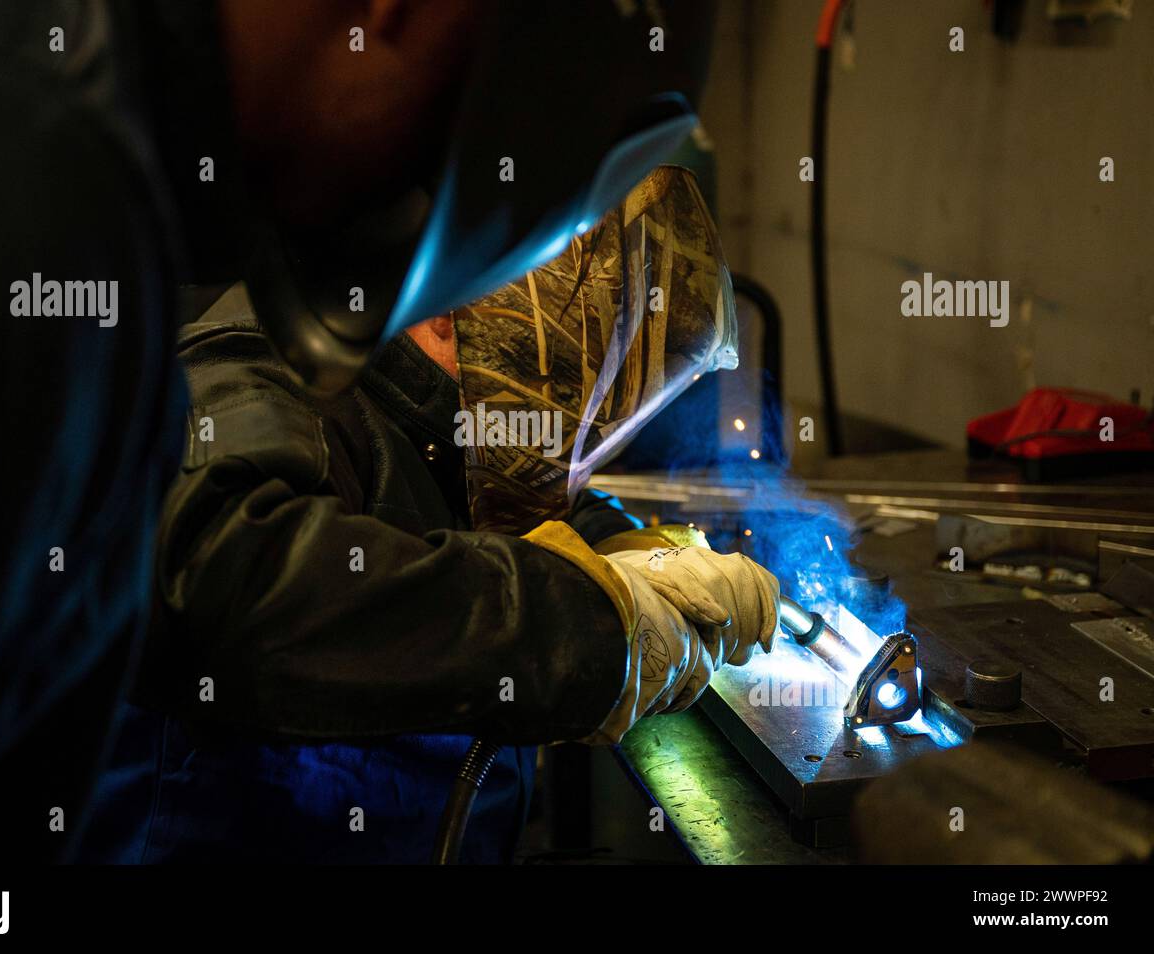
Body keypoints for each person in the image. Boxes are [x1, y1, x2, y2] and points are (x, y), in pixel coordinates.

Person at [0, 0, 720, 861]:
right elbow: (207, 560)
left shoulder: (79, 154)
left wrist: (628, 559)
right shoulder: (16, 165)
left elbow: (464, 515)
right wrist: (583, 630)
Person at [84, 165, 781, 864]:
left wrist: (632, 551)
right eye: (570, 392)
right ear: (457, 301)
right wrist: (591, 628)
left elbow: (493, 508)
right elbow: (220, 581)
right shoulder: (256, 371)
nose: (575, 438)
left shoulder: (441, 411)